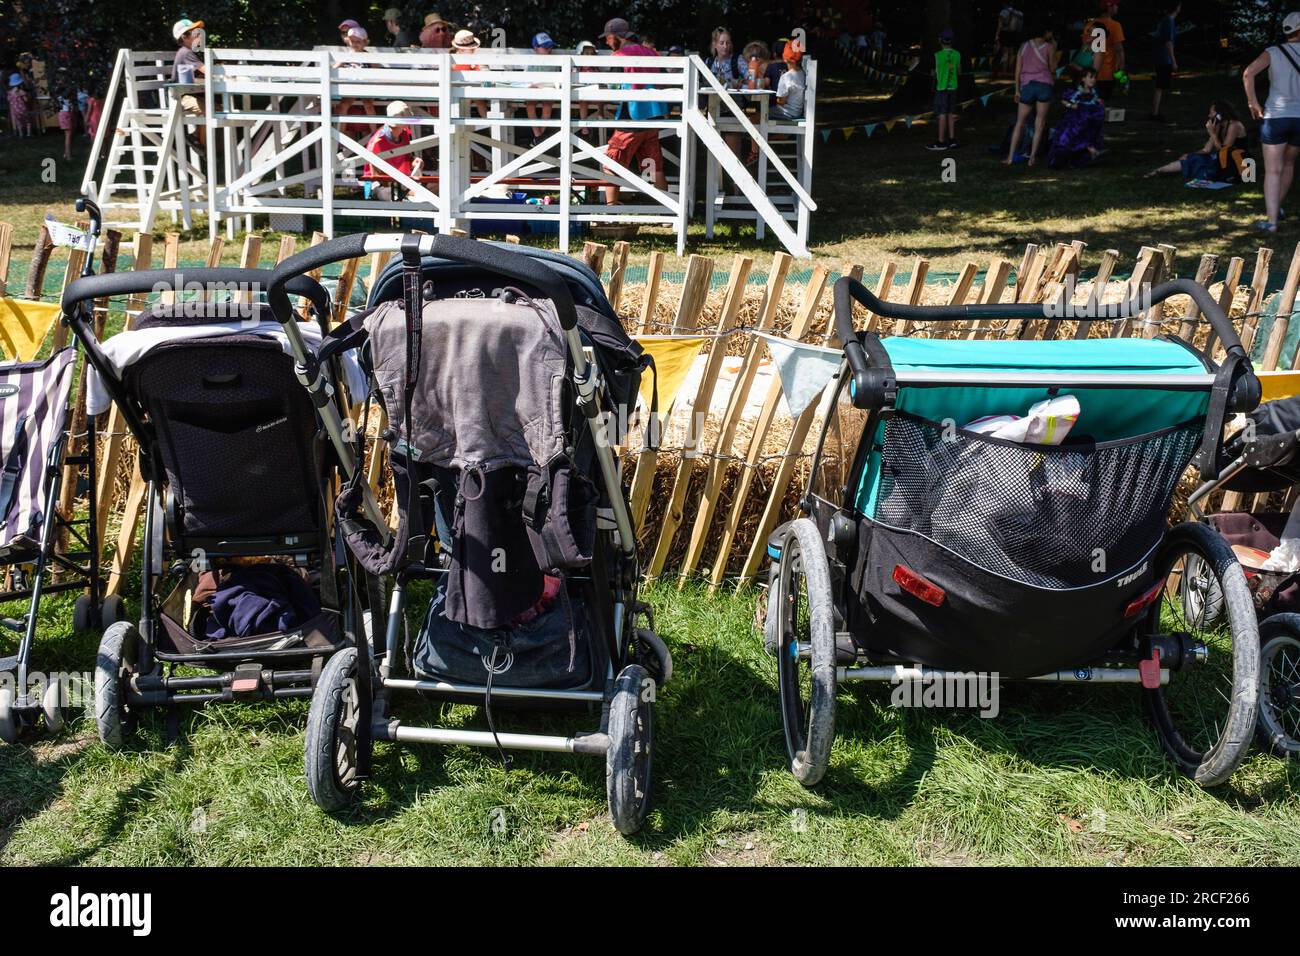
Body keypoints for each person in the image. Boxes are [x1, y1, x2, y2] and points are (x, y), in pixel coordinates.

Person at [601, 17, 668, 205]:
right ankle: (665, 210)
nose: (606, 42)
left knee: (611, 164)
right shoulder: (651, 53)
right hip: (653, 117)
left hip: (631, 117)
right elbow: (664, 80)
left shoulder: (621, 56)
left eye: (607, 37)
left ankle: (610, 210)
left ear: (616, 37)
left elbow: (613, 86)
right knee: (653, 166)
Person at [1243, 11, 1300, 232]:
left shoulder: (1273, 52)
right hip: (1299, 118)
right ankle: (1277, 209)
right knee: (1288, 164)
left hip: (1276, 116)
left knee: (1273, 170)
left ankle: (1272, 221)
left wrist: (1253, 103)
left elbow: (1248, 74)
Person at [1146, 101, 1249, 183]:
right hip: (1225, 161)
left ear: (1220, 114)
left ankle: (1167, 171)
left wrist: (1212, 134)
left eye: (1211, 113)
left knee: (1204, 164)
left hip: (1239, 165)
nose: (1209, 116)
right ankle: (1159, 171)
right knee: (1194, 158)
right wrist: (1189, 155)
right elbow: (1207, 149)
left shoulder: (1234, 125)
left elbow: (1224, 151)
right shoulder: (1219, 126)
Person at [1003, 21, 1056, 166]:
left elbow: (1018, 70)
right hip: (1044, 85)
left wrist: (1016, 90)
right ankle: (1032, 157)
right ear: (1045, 32)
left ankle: (1010, 157)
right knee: (1040, 123)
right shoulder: (1049, 47)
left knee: (1019, 123)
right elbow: (1052, 69)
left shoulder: (1024, 46)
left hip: (1027, 86)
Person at [1047, 67, 1105, 168]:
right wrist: (1071, 105)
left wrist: (1098, 103)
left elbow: (1094, 106)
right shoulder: (1077, 92)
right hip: (1075, 122)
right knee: (1071, 137)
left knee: (1088, 132)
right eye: (1090, 77)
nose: (1093, 80)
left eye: (1095, 78)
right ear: (1083, 79)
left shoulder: (1094, 93)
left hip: (1088, 122)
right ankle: (1089, 150)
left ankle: (1083, 156)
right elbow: (1064, 100)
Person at [363, 99, 424, 192]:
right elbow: (375, 174)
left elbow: (406, 157)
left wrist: (414, 161)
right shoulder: (378, 141)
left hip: (402, 183)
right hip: (380, 187)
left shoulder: (404, 134)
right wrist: (399, 188)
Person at [171, 17, 207, 146]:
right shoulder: (186, 53)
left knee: (217, 109)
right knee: (207, 110)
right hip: (180, 97)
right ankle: (199, 141)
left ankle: (197, 137)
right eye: (194, 32)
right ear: (184, 37)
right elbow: (207, 71)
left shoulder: (189, 52)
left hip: (189, 94)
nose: (198, 34)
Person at [928, 28, 960, 151]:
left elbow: (934, 73)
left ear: (940, 40)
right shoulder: (957, 54)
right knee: (951, 113)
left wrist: (935, 73)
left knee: (942, 114)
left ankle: (941, 142)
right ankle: (952, 140)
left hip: (941, 88)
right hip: (953, 88)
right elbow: (958, 71)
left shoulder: (937, 56)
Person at [1087, 1, 1125, 101]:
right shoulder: (1115, 25)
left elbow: (1085, 48)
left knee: (1089, 102)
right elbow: (1119, 50)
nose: (1117, 7)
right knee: (1102, 104)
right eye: (1116, 5)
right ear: (1109, 7)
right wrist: (1121, 70)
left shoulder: (1090, 24)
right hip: (1107, 73)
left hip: (1088, 73)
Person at [1151, 3, 1179, 121]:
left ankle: (1156, 111)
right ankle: (1155, 113)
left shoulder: (1166, 21)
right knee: (1160, 86)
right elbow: (1168, 42)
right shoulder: (1168, 21)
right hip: (1163, 58)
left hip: (1162, 57)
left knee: (1161, 86)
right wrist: (1173, 61)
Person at [526, 32, 556, 142]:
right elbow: (527, 78)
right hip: (534, 88)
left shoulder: (555, 61)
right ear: (536, 48)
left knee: (547, 105)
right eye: (545, 47)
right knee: (530, 105)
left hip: (549, 88)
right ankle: (538, 135)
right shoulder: (531, 62)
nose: (549, 49)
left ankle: (539, 137)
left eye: (550, 46)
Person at [771, 40, 805, 121]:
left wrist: (776, 99)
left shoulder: (786, 77)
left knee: (759, 115)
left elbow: (781, 101)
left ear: (784, 57)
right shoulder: (802, 74)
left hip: (786, 112)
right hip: (797, 111)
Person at [995, 6, 1024, 77]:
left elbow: (1000, 24)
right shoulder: (1019, 13)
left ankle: (1004, 71)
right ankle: (1010, 71)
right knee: (1011, 53)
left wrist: (997, 35)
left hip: (1006, 33)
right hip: (1015, 34)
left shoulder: (1004, 11)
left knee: (1005, 53)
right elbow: (1020, 26)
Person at [7, 73, 32, 138]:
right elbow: (26, 100)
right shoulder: (21, 92)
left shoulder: (10, 92)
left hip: (15, 110)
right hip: (23, 109)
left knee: (18, 122)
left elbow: (9, 100)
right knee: (27, 121)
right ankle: (29, 134)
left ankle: (21, 134)